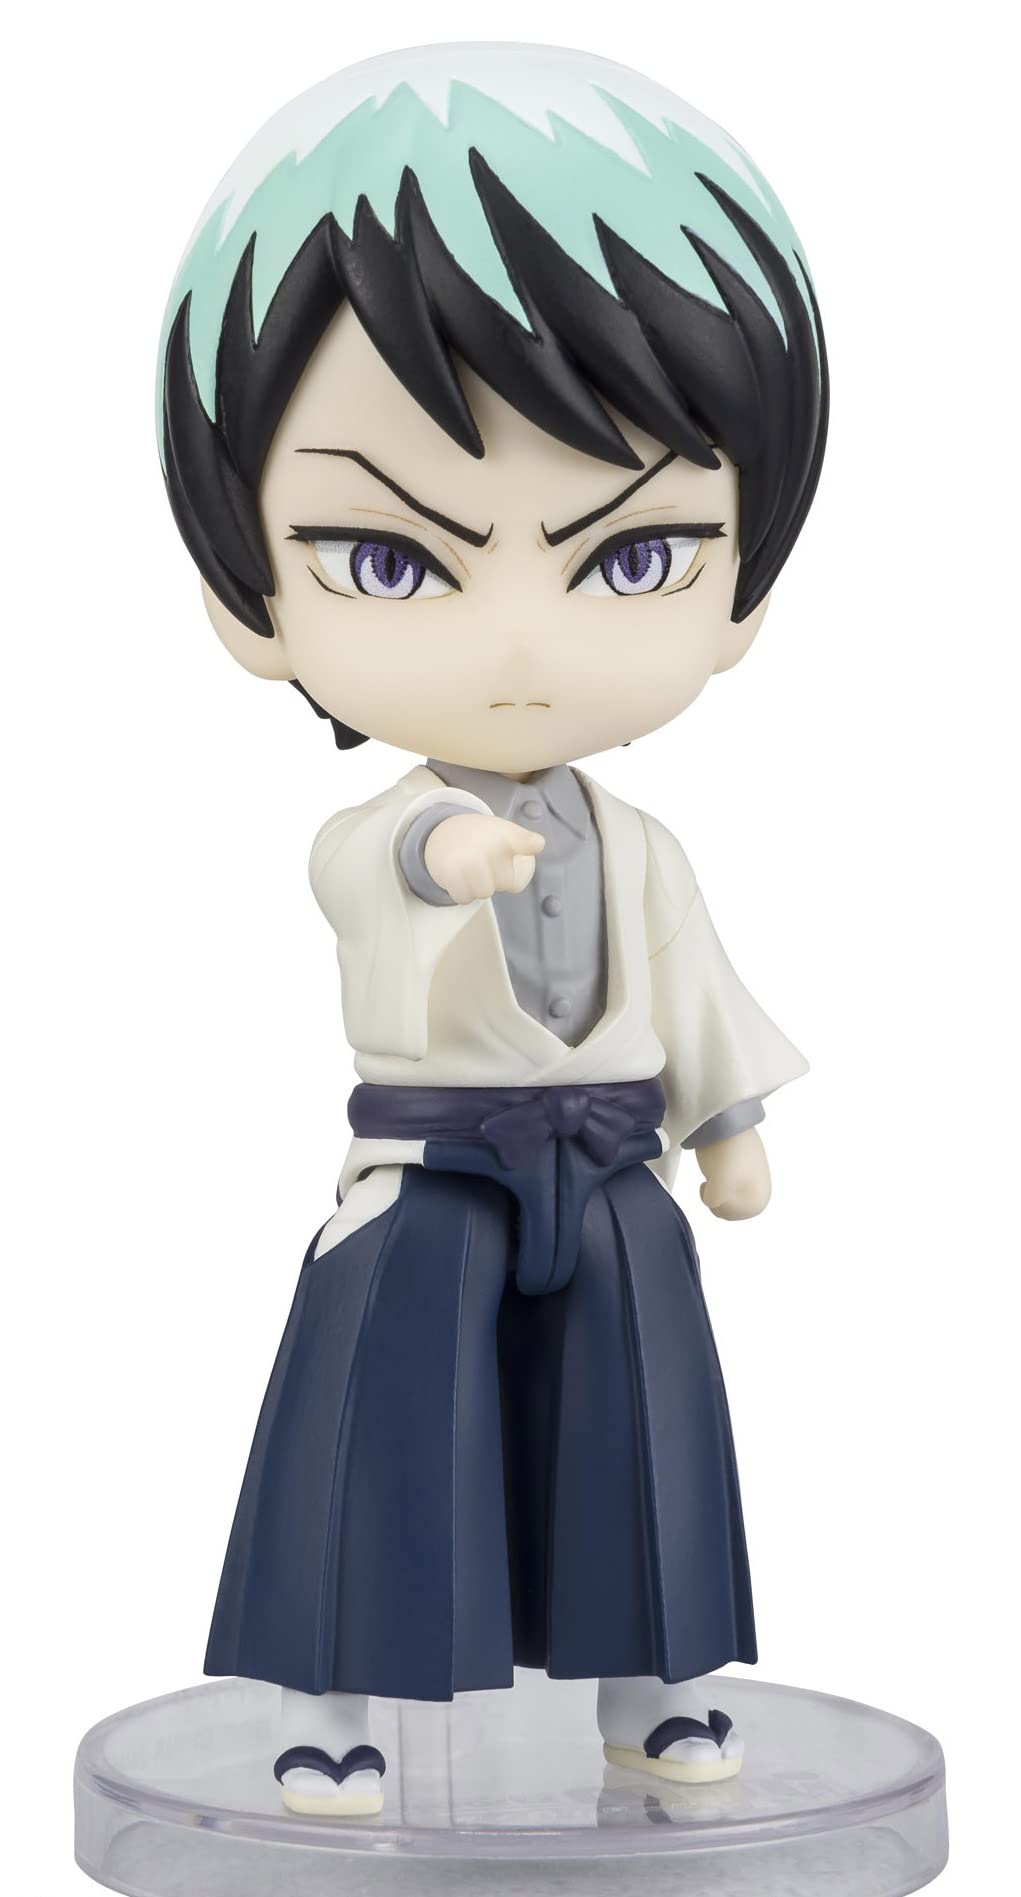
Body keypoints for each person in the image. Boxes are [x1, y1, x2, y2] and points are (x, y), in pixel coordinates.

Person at [158, 41, 828, 1816]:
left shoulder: (641, 844)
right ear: (250, 592)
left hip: (610, 1166)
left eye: (630, 556)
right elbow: (373, 873)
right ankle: (338, 1707)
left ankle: (655, 1689)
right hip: (435, 1172)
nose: (519, 643)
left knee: (644, 1432)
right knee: (382, 1440)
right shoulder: (375, 824)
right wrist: (443, 855)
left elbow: (693, 989)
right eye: (391, 560)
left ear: (739, 584)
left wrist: (728, 1125)